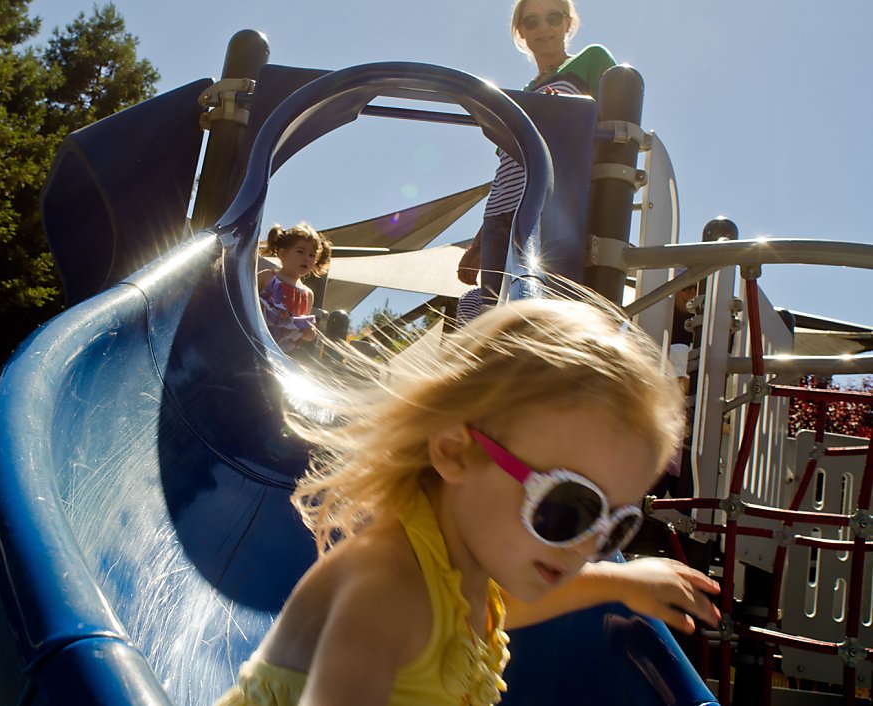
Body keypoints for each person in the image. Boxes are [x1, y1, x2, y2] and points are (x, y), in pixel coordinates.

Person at [215, 294, 721, 706]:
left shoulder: (471, 561)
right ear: (456, 453)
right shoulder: (388, 589)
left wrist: (620, 579)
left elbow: (504, 609)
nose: (585, 547)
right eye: (569, 508)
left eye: (614, 526)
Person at [457, 0, 617, 307]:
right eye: (531, 22)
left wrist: (562, 117)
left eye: (553, 18)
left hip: (551, 208)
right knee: (494, 311)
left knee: (543, 308)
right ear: (520, 31)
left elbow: (613, 130)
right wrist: (479, 241)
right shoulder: (520, 96)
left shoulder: (590, 61)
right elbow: (508, 171)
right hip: (499, 215)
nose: (543, 28)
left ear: (568, 23)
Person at [259, 223, 332, 354]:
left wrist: (310, 333)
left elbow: (305, 331)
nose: (306, 258)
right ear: (282, 254)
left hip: (281, 354)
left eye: (312, 255)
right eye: (300, 251)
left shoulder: (307, 294)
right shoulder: (267, 277)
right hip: (254, 340)